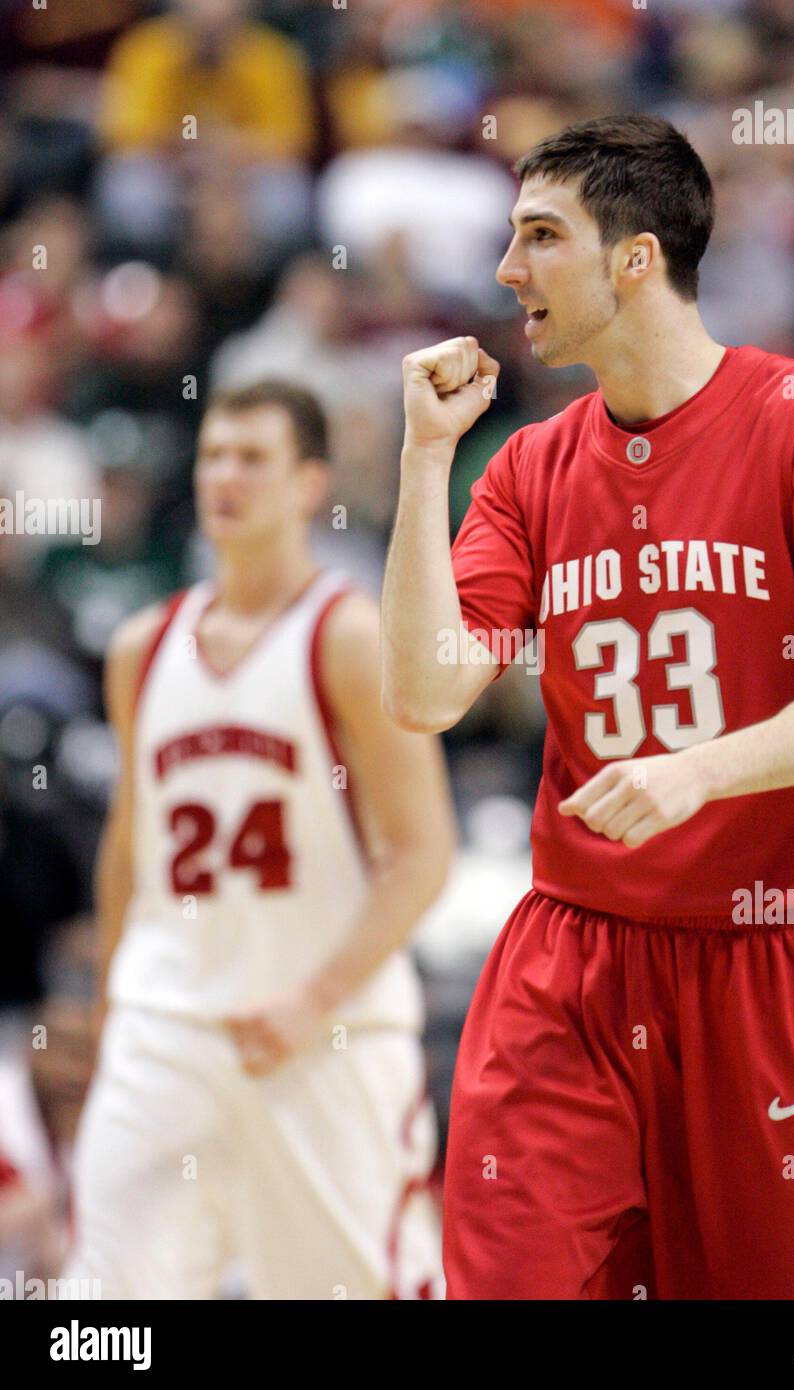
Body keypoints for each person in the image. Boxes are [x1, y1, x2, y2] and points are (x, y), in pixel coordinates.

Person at [381, 114, 794, 1300]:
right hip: (571, 962)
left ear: (635, 259)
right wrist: (421, 460)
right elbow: (423, 688)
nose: (507, 270)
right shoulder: (529, 466)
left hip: (771, 956)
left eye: (540, 236)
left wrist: (700, 769)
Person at [64, 379, 455, 1299]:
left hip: (328, 1037)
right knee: (107, 1308)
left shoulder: (351, 638)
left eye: (252, 458)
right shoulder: (142, 647)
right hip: (172, 1033)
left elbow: (422, 853)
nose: (224, 477)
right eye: (212, 455)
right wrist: (120, 1003)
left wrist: (310, 996)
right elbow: (130, 852)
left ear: (309, 482)